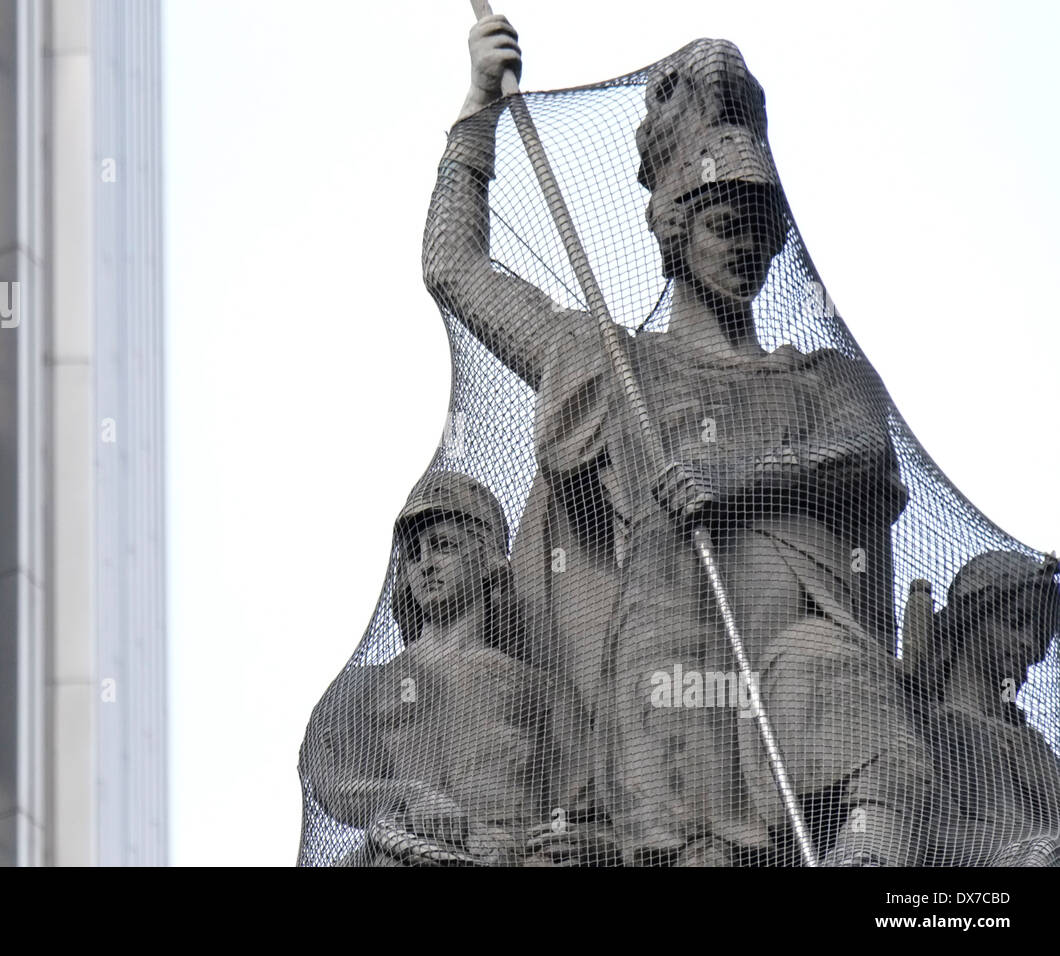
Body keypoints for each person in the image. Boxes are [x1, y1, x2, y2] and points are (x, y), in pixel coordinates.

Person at [422, 15, 930, 864]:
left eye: (760, 230)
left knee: (852, 707)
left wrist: (732, 482)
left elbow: (866, 461)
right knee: (678, 765)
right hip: (671, 637)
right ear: (672, 230)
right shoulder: (609, 364)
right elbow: (454, 269)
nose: (747, 248)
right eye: (725, 223)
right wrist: (476, 114)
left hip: (804, 634)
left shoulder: (826, 378)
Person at [299, 472, 598, 865]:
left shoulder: (541, 691)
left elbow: (585, 808)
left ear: (487, 558)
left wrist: (585, 841)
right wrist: (411, 796)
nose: (424, 565)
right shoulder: (362, 686)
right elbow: (332, 780)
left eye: (443, 546)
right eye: (413, 555)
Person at [920, 552, 1060, 866]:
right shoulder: (937, 728)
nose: (1030, 645)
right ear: (971, 617)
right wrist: (1035, 847)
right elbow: (932, 834)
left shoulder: (1036, 747)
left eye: (1040, 637)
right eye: (1015, 621)